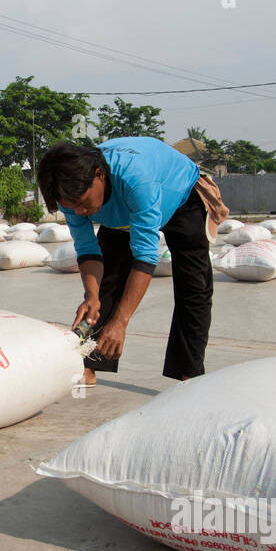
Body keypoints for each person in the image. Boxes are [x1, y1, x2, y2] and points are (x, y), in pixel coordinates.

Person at [37, 138, 228, 387]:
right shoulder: (71, 195)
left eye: (84, 203)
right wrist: (91, 295)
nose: (81, 212)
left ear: (99, 176)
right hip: (123, 211)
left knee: (194, 287)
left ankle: (189, 373)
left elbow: (145, 256)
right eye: (72, 207)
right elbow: (87, 249)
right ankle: (89, 364)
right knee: (106, 284)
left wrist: (121, 321)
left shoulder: (136, 179)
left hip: (180, 197)